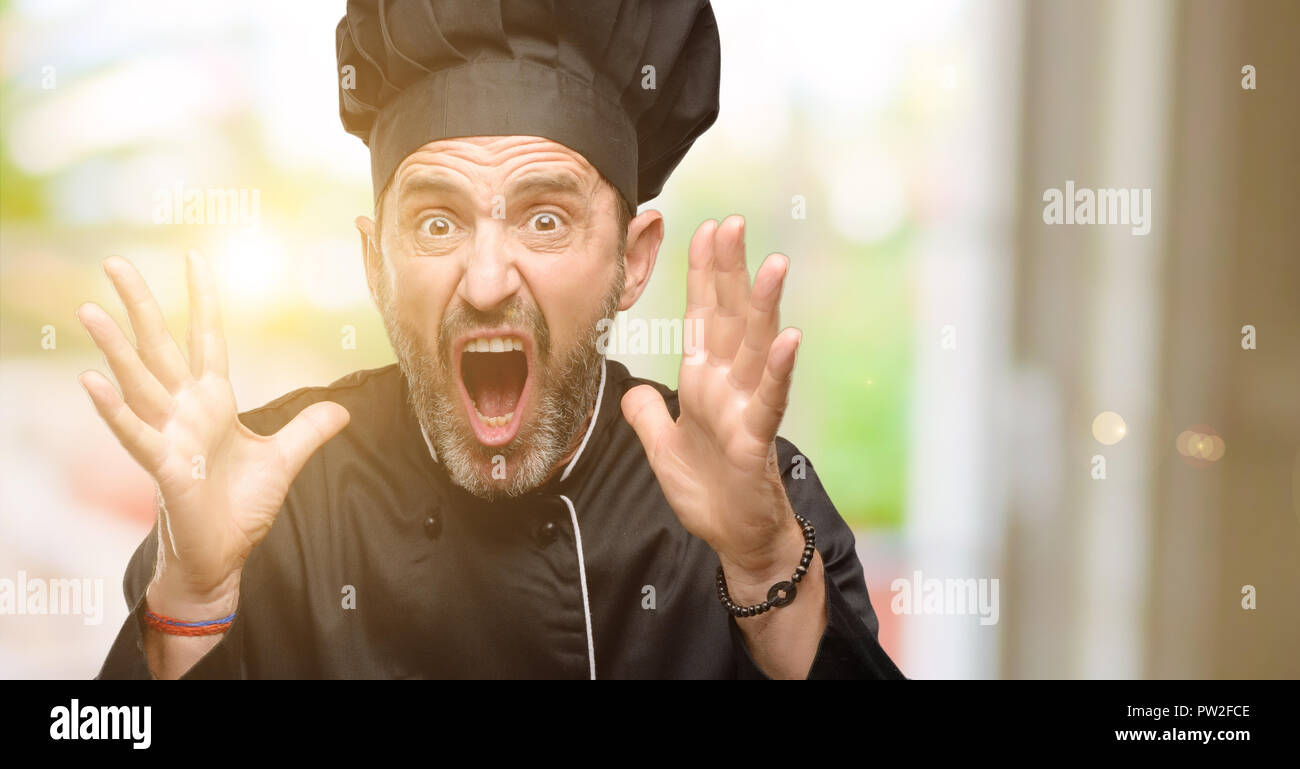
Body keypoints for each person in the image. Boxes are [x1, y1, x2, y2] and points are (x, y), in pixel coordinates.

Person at [83, 0, 904, 679]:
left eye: (546, 219)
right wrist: (191, 600)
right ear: (377, 265)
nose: (485, 283)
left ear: (632, 260)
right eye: (437, 222)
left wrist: (762, 564)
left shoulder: (756, 498)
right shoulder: (268, 499)